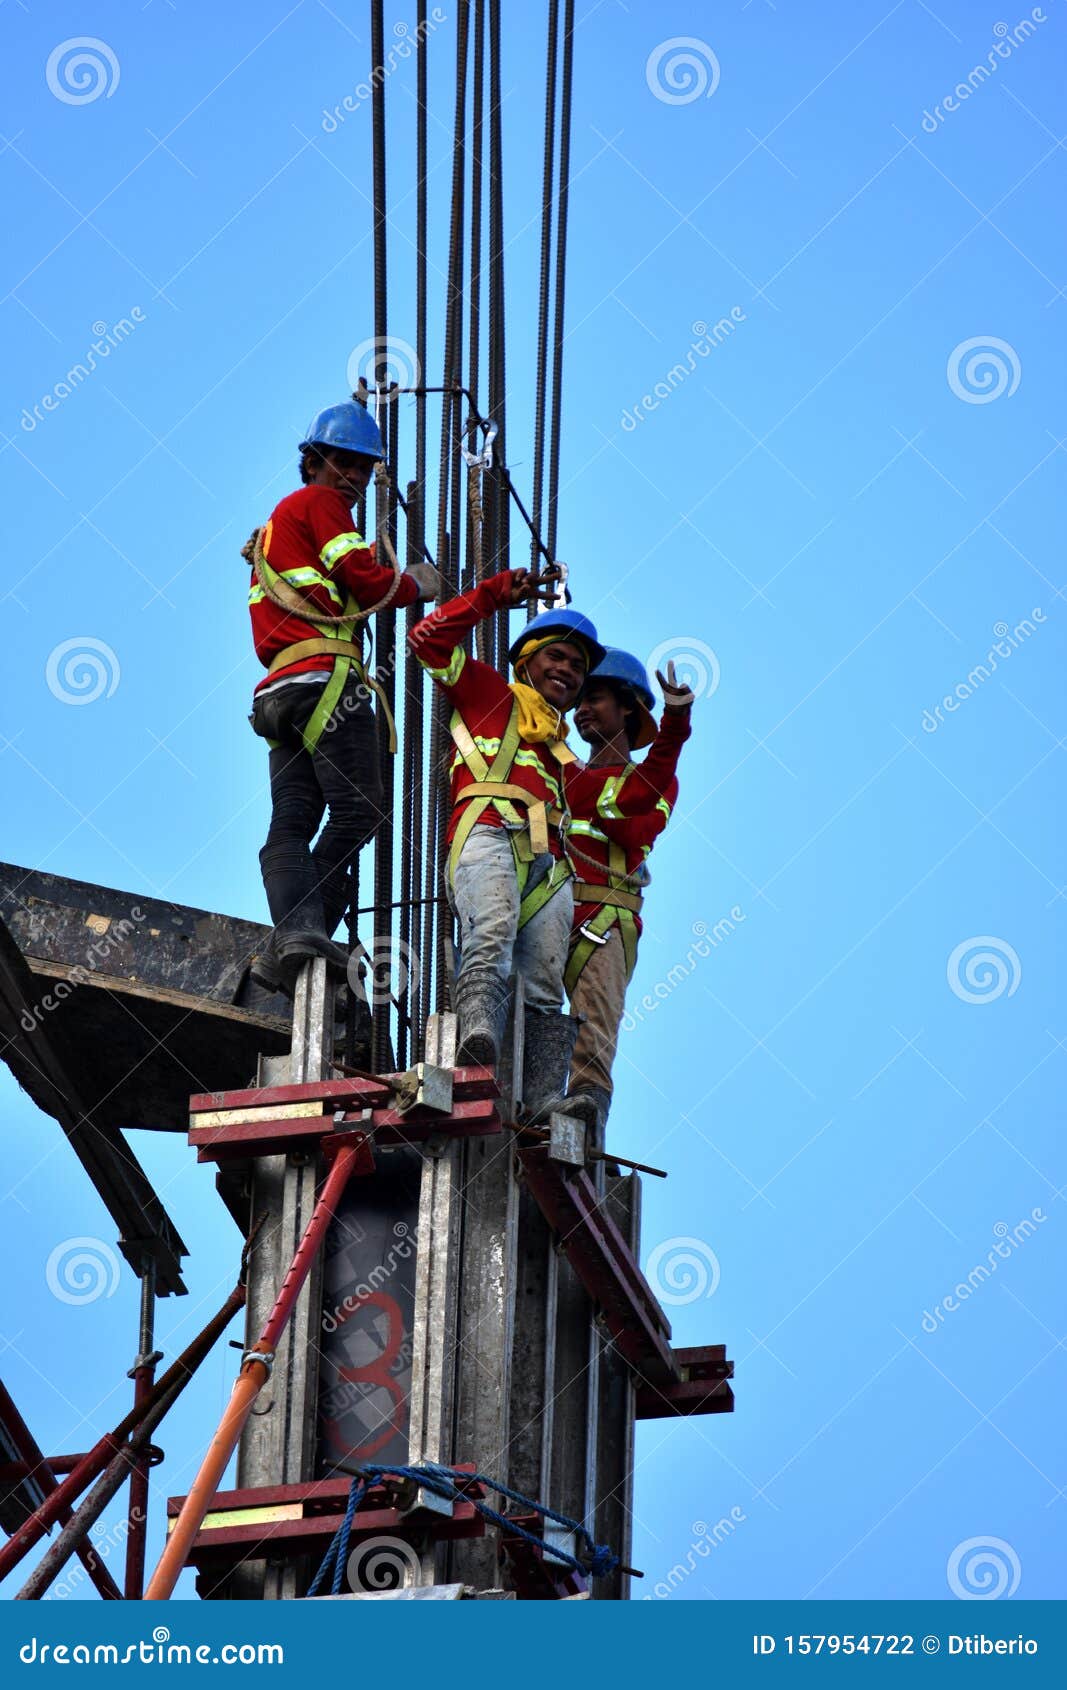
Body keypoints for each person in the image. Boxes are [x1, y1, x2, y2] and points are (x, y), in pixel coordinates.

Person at [247, 401, 441, 991]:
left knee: (293, 820)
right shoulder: (321, 505)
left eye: (363, 468)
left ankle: (290, 942)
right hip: (323, 680)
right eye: (345, 464)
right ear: (314, 461)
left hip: (280, 692)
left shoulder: (275, 529)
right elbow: (359, 575)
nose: (354, 478)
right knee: (362, 809)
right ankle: (303, 930)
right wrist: (413, 583)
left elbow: (327, 585)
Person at [409, 568, 605, 1119]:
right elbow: (427, 638)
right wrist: (494, 594)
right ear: (527, 662)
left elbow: (629, 808)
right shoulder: (487, 691)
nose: (566, 671)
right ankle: (477, 1039)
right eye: (556, 658)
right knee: (490, 934)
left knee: (545, 983)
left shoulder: (562, 750)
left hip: (550, 870)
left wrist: (668, 731)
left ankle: (542, 1096)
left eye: (577, 668)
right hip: (489, 834)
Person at [563, 649, 694, 1140]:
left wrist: (676, 722)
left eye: (593, 699)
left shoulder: (656, 783)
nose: (581, 710)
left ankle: (586, 1114)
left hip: (605, 920)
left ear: (629, 712)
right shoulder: (561, 772)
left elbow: (629, 828)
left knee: (594, 1022)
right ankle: (528, 1093)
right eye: (578, 701)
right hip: (547, 910)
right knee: (525, 1012)